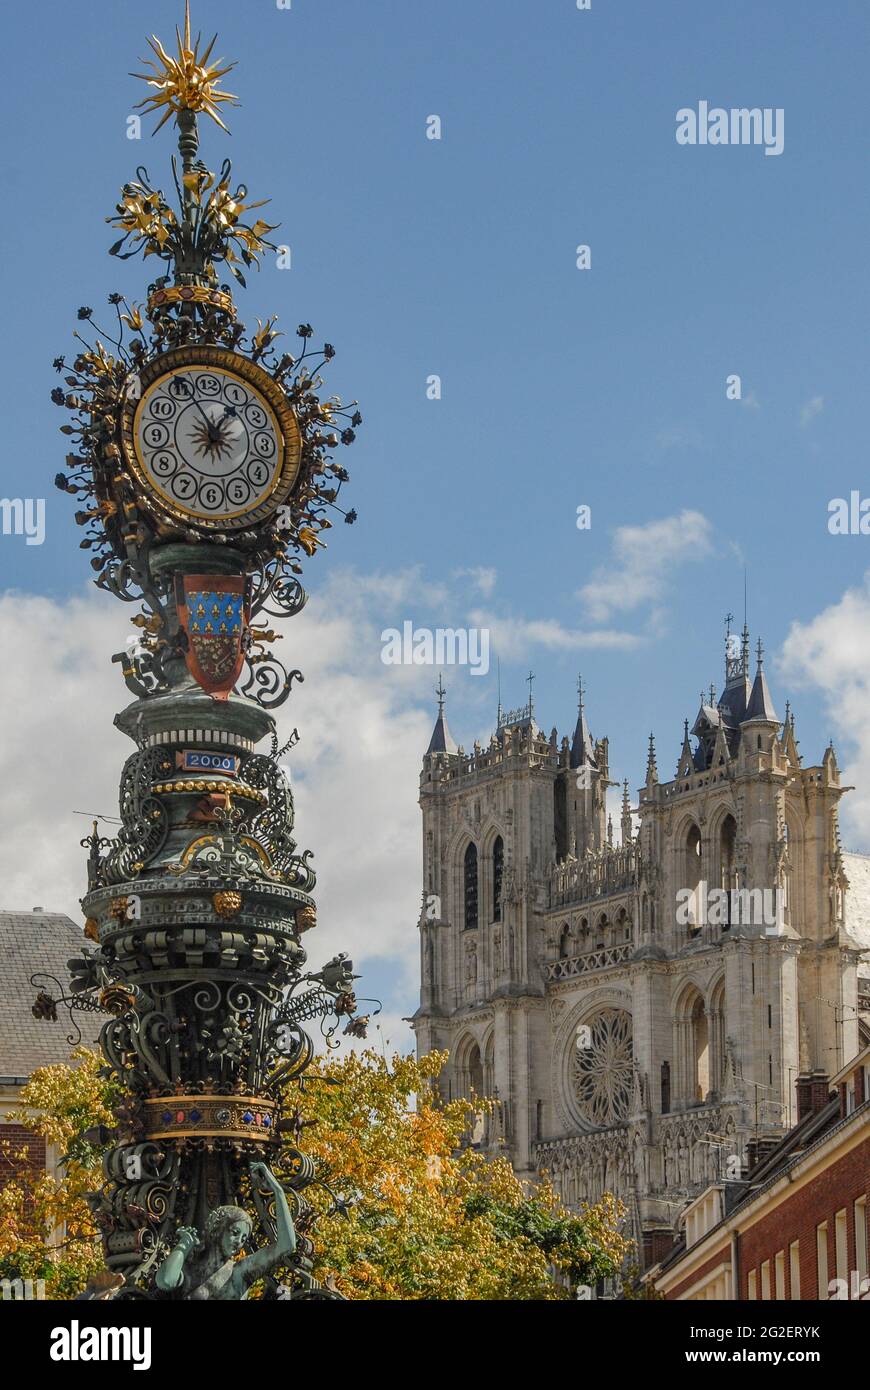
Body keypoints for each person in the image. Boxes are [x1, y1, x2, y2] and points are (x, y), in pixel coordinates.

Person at [155, 1161, 296, 1300]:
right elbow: (165, 1281)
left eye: (243, 1238)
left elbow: (287, 1246)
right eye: (235, 1233)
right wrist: (184, 1245)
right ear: (219, 1229)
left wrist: (279, 1192)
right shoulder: (191, 1268)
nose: (239, 1242)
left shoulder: (240, 1271)